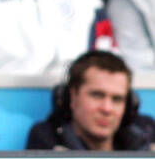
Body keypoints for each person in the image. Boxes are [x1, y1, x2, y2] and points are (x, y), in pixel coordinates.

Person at [26, 51, 155, 150]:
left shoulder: (147, 135)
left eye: (117, 99)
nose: (107, 109)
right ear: (72, 96)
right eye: (97, 95)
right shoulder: (46, 139)